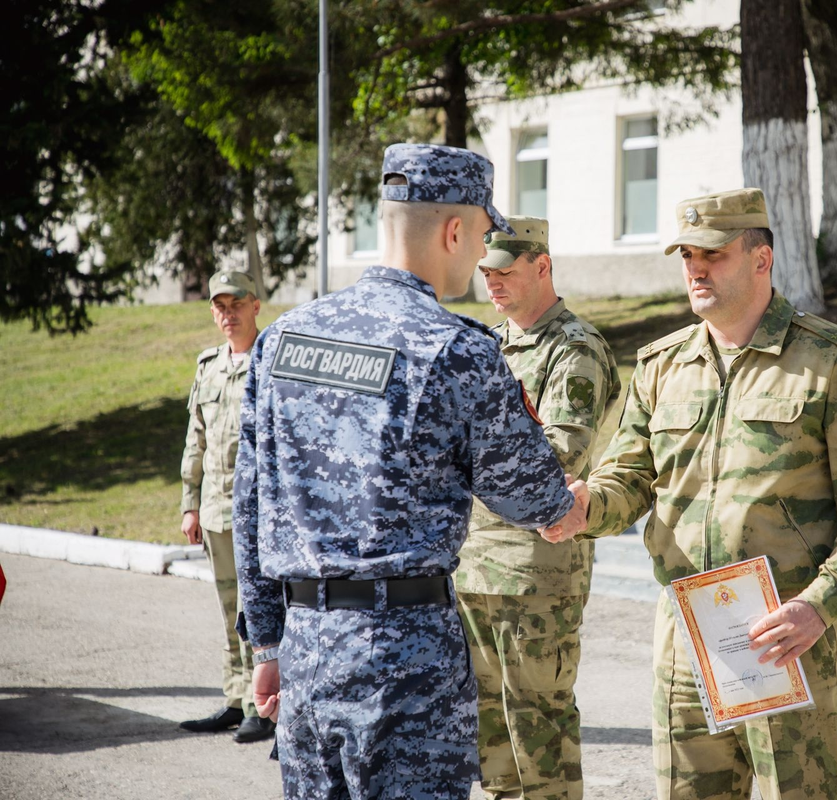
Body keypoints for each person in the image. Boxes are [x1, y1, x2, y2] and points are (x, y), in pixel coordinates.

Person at [232, 144, 584, 800]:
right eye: (482, 235)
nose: (483, 255)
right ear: (455, 231)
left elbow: (249, 500)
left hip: (307, 650)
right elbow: (537, 498)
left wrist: (266, 646)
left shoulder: (284, 338)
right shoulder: (454, 349)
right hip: (407, 661)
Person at [543, 188, 837, 800]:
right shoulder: (662, 365)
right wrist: (584, 508)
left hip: (784, 636)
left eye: (712, 253)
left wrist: (818, 606)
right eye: (686, 254)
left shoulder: (830, 363)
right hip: (686, 638)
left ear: (760, 259)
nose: (695, 268)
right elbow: (629, 477)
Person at [456, 216, 621, 800]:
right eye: (485, 273)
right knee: (489, 731)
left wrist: (461, 453)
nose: (492, 283)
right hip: (472, 562)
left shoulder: (574, 348)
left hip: (536, 570)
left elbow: (555, 459)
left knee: (538, 728)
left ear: (542, 266)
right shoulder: (487, 346)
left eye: (505, 271)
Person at [178, 269, 275, 744]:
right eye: (219, 306)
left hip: (257, 516)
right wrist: (189, 505)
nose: (227, 314)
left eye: (235, 304)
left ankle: (265, 706)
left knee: (258, 613)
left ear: (256, 305)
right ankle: (236, 700)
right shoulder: (208, 366)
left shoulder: (272, 362)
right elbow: (195, 439)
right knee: (226, 608)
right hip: (216, 512)